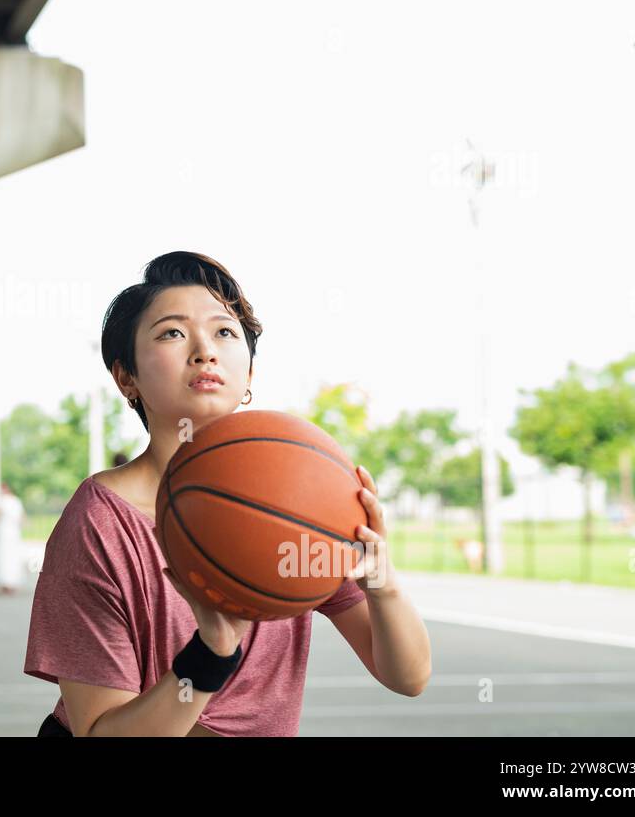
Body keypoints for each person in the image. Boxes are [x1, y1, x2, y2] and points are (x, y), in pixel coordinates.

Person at [24, 251, 432, 736]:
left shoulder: (297, 497)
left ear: (250, 376)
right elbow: (100, 732)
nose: (204, 350)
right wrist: (211, 654)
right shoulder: (99, 525)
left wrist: (380, 583)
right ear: (125, 376)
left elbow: (408, 677)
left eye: (224, 332)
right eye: (172, 332)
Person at [0, 482, 25, 596]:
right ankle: (12, 583)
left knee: (2, 557)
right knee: (13, 557)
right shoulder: (16, 501)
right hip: (14, 533)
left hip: (3, 533)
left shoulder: (1, 501)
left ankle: (3, 583)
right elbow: (22, 519)